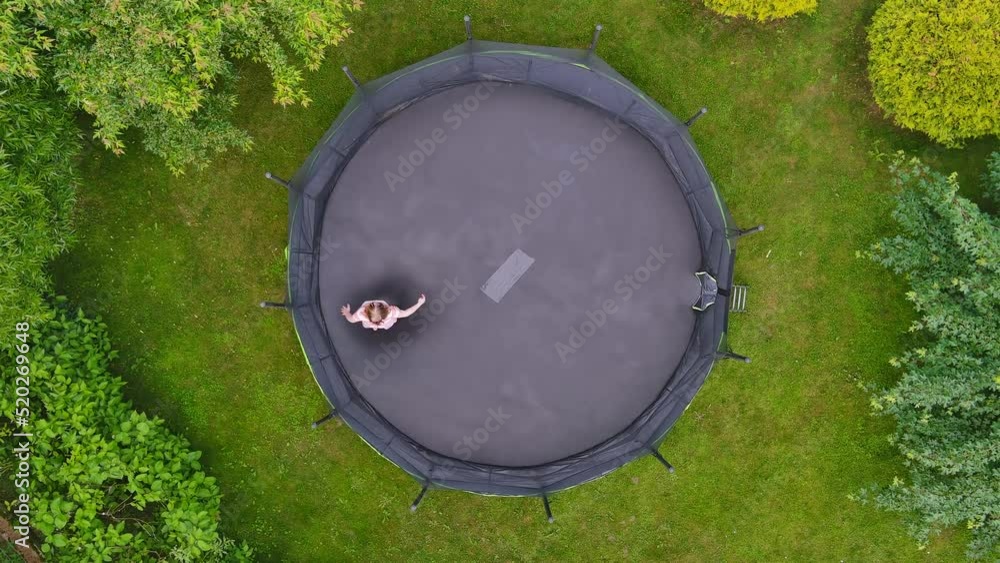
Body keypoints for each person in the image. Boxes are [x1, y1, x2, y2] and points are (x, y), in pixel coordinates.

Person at [341, 294, 426, 331]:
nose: (375, 302)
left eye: (372, 304)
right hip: (384, 323)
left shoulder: (361, 314)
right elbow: (406, 313)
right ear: (386, 308)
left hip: (369, 322)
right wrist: (419, 303)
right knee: (383, 325)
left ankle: (374, 327)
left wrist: (347, 313)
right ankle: (376, 326)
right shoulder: (391, 312)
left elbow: (351, 319)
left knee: (372, 326)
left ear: (366, 310)